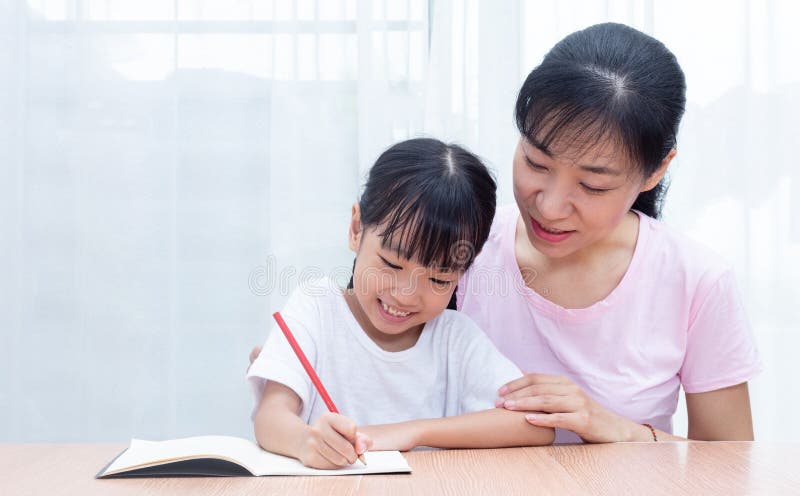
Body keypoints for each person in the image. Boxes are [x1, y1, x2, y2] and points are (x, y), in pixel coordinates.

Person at [462, 22, 762, 443]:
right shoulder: (465, 241)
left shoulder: (696, 280)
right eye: (535, 163)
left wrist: (611, 428)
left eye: (592, 185)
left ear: (655, 170)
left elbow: (732, 468)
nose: (548, 207)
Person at [247, 138, 554, 470]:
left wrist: (412, 432)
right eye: (392, 265)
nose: (406, 295)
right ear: (356, 228)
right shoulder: (316, 309)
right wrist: (307, 442)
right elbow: (271, 419)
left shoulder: (453, 337)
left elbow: (535, 424)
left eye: (438, 280)